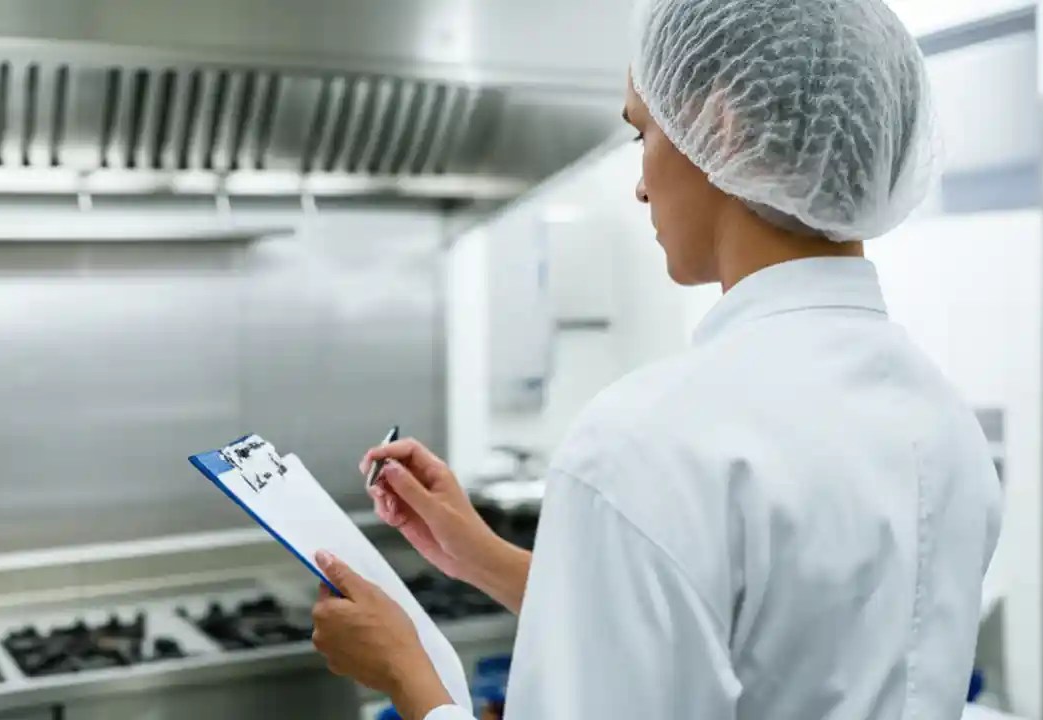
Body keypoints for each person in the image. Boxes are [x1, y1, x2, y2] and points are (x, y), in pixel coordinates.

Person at [309, 0, 1003, 717]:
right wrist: (477, 555)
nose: (639, 183)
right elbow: (745, 643)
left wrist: (406, 674)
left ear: (722, 125)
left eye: (642, 132)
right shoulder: (945, 426)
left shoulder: (645, 443)